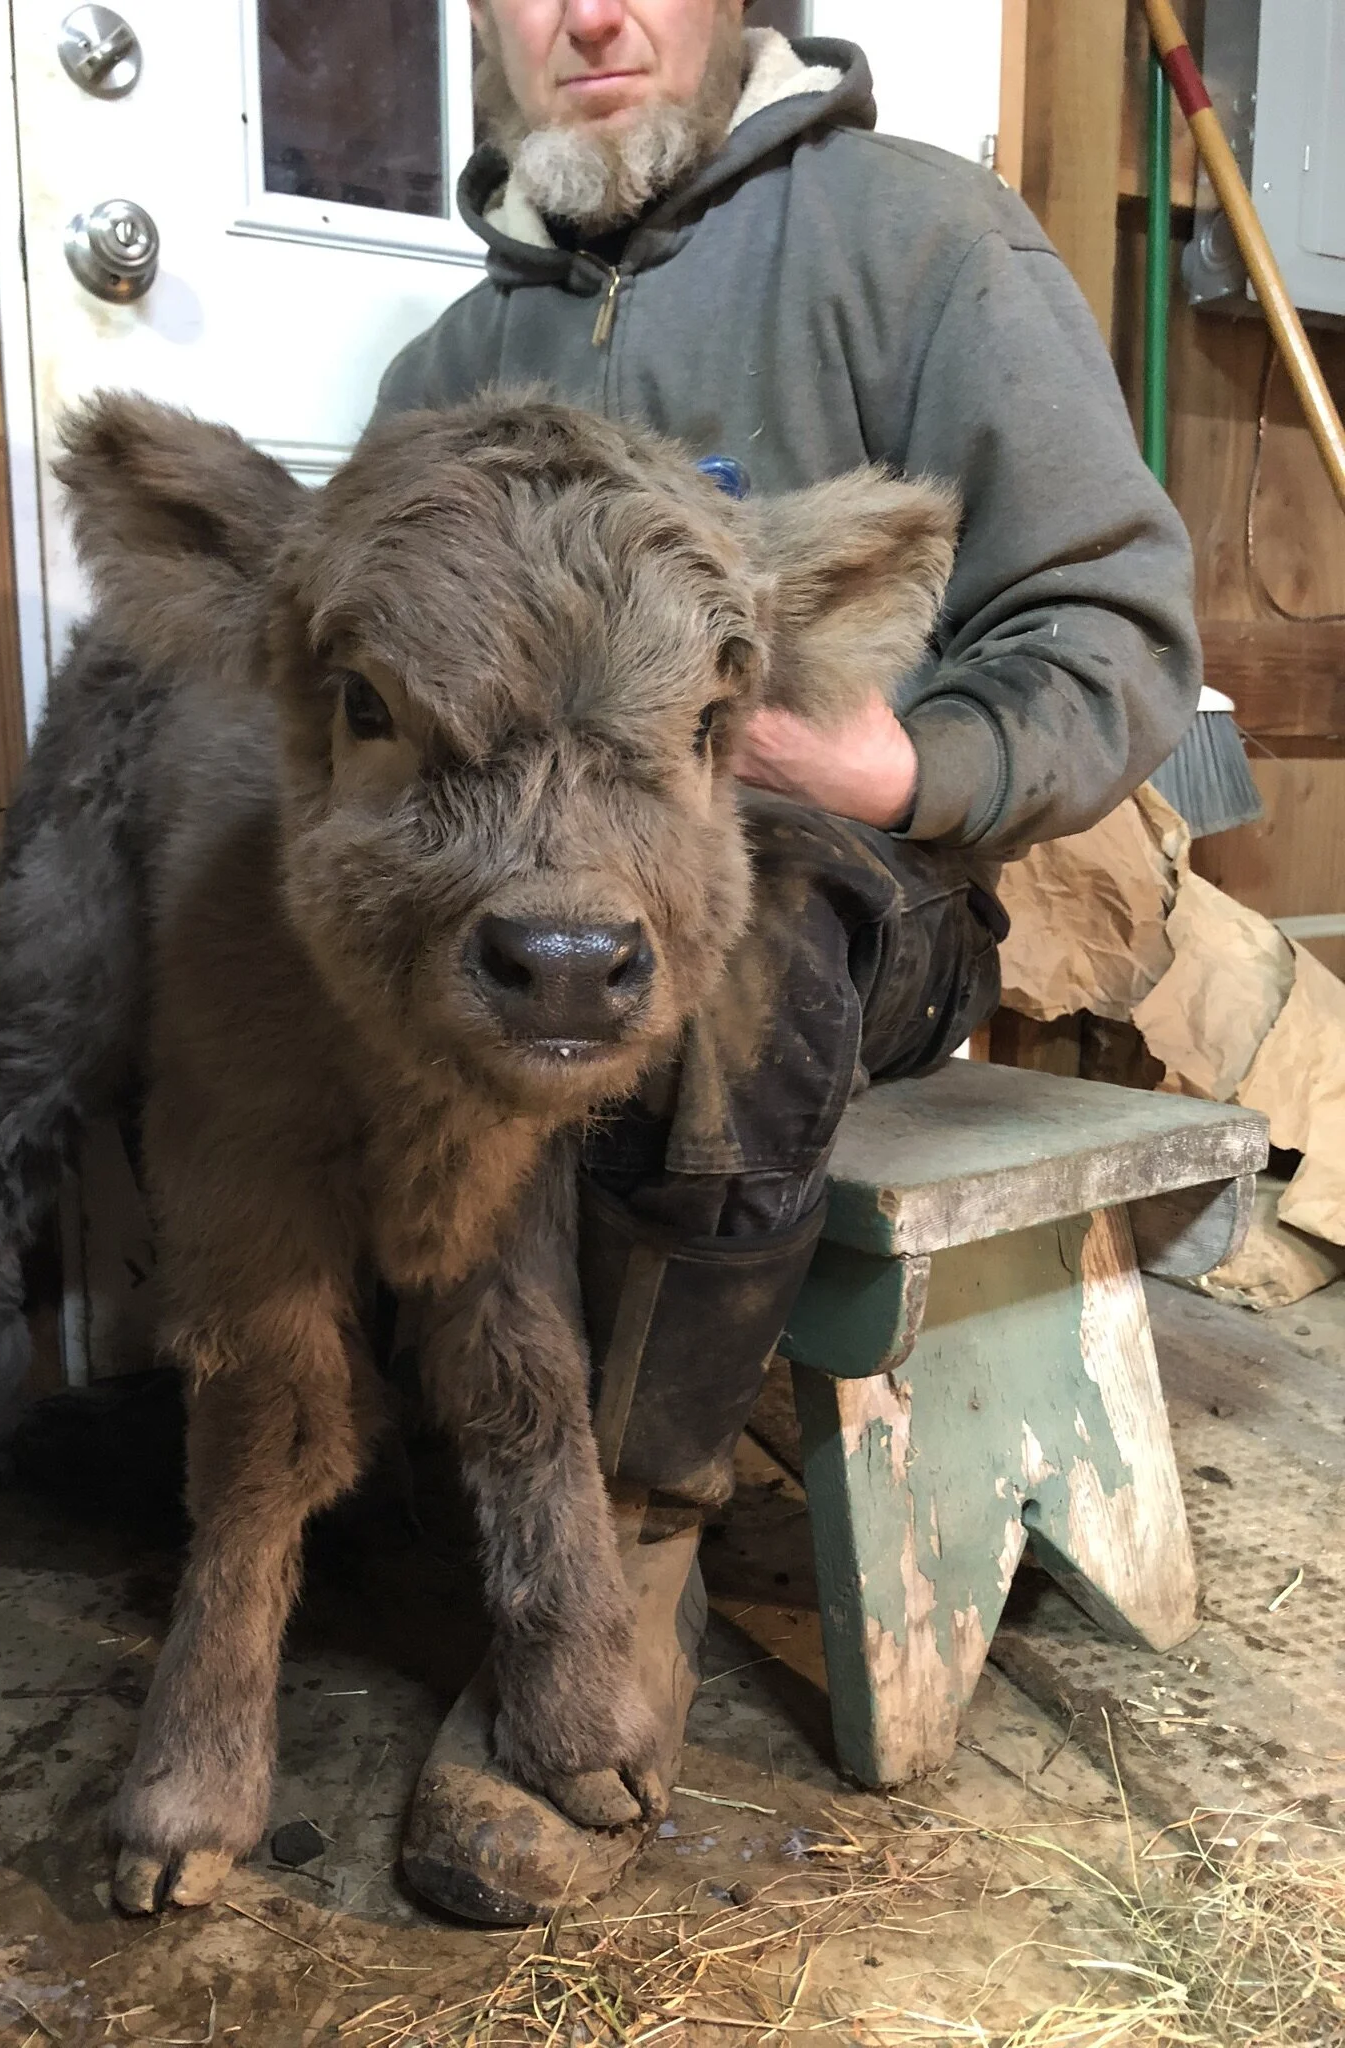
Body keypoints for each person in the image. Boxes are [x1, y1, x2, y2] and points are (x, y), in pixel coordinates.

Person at [377, 0, 1199, 1925]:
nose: (587, 14)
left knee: (741, 965)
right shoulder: (450, 353)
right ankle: (477, 1496)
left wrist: (902, 761)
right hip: (538, 868)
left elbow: (1115, 628)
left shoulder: (919, 238)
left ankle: (628, 1557)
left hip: (860, 873)